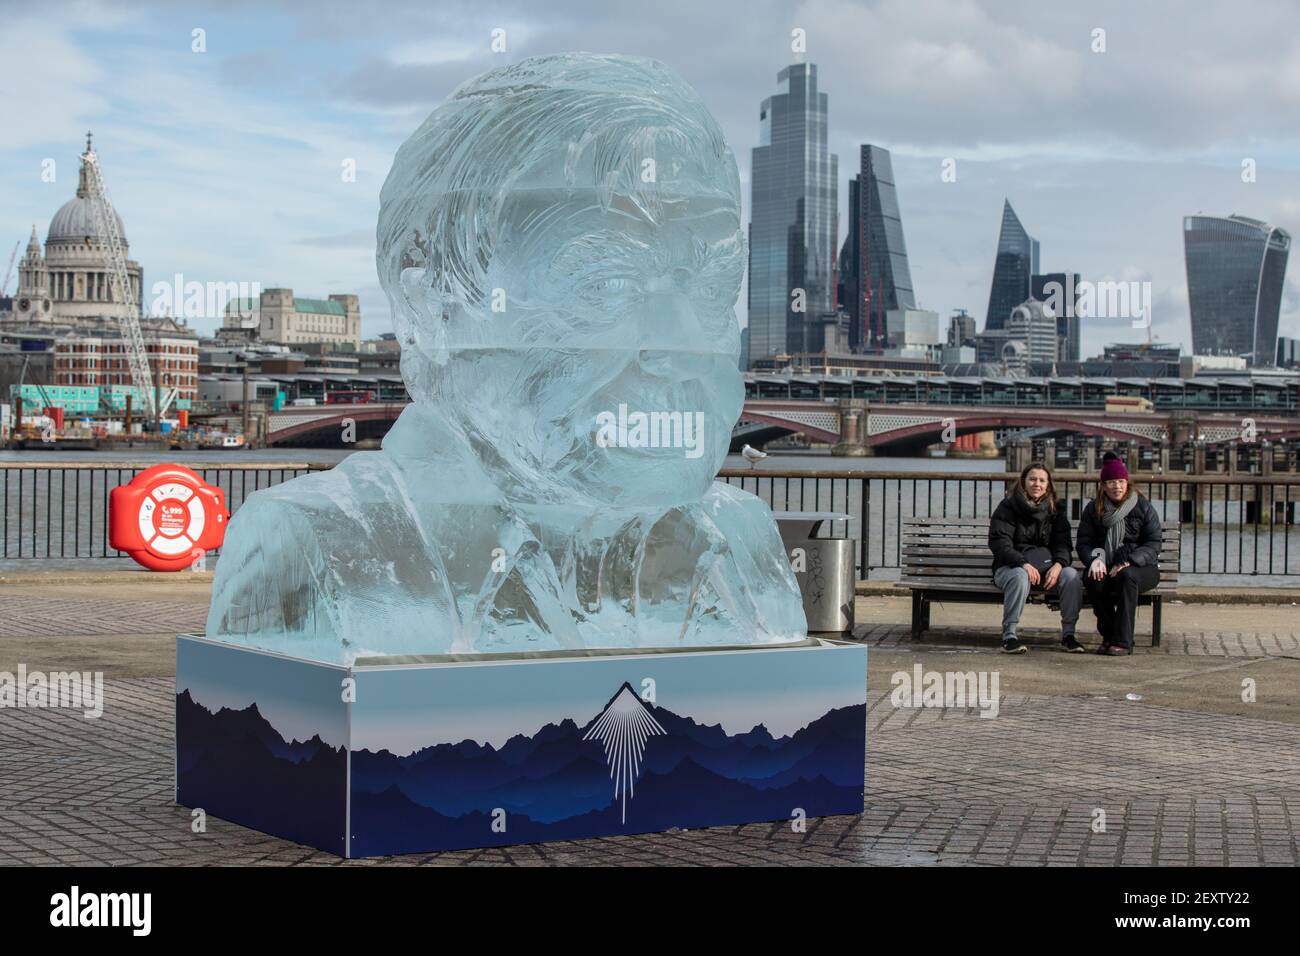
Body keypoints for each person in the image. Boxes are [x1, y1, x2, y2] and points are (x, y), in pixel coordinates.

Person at [988, 462, 1083, 654]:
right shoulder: (1008, 507)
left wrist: (1059, 565)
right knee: (1019, 577)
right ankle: (1009, 636)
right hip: (1011, 567)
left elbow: (1063, 544)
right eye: (1032, 479)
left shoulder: (1056, 510)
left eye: (1041, 480)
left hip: (1047, 569)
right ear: (1023, 482)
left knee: (1071, 576)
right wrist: (1022, 563)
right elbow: (999, 542)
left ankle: (1069, 635)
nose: (1036, 484)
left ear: (1048, 485)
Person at [1076, 453, 1163, 656]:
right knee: (1093, 578)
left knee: (1127, 576)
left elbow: (1153, 543)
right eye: (1112, 482)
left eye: (1121, 481)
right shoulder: (1093, 509)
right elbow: (1085, 542)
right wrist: (1095, 559)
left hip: (1142, 568)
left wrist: (1130, 561)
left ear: (1127, 483)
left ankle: (1124, 642)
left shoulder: (1142, 506)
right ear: (1103, 486)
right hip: (1106, 564)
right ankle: (1110, 636)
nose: (1117, 486)